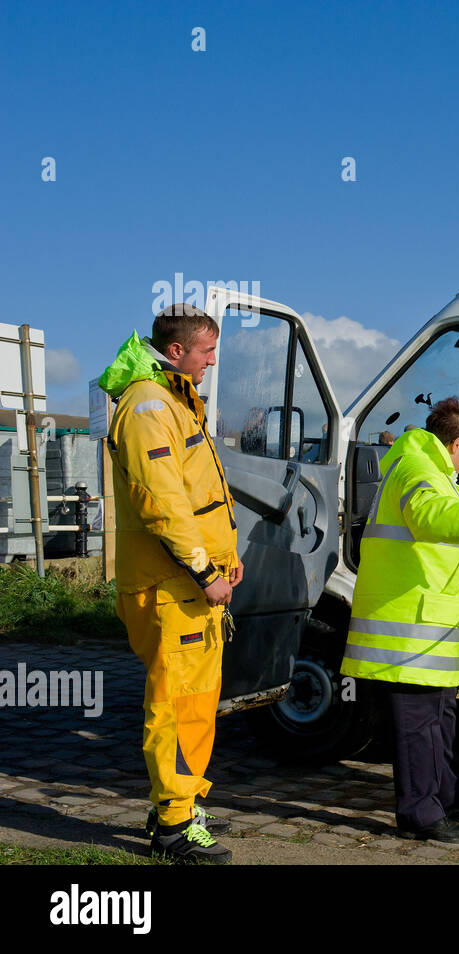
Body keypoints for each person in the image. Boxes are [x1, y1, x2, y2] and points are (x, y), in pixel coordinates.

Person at [342, 397, 459, 843]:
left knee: (439, 719)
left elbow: (443, 544)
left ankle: (445, 790)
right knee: (418, 726)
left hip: (432, 626)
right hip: (409, 630)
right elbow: (430, 518)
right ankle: (420, 813)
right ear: (458, 443)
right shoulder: (418, 471)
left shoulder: (437, 474)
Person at [98, 303, 243, 863]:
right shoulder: (150, 406)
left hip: (181, 583)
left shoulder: (174, 400)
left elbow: (195, 496)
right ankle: (174, 829)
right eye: (206, 352)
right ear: (177, 351)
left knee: (194, 703)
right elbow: (164, 505)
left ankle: (178, 805)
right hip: (171, 586)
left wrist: (224, 556)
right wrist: (205, 570)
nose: (212, 362)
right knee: (177, 706)